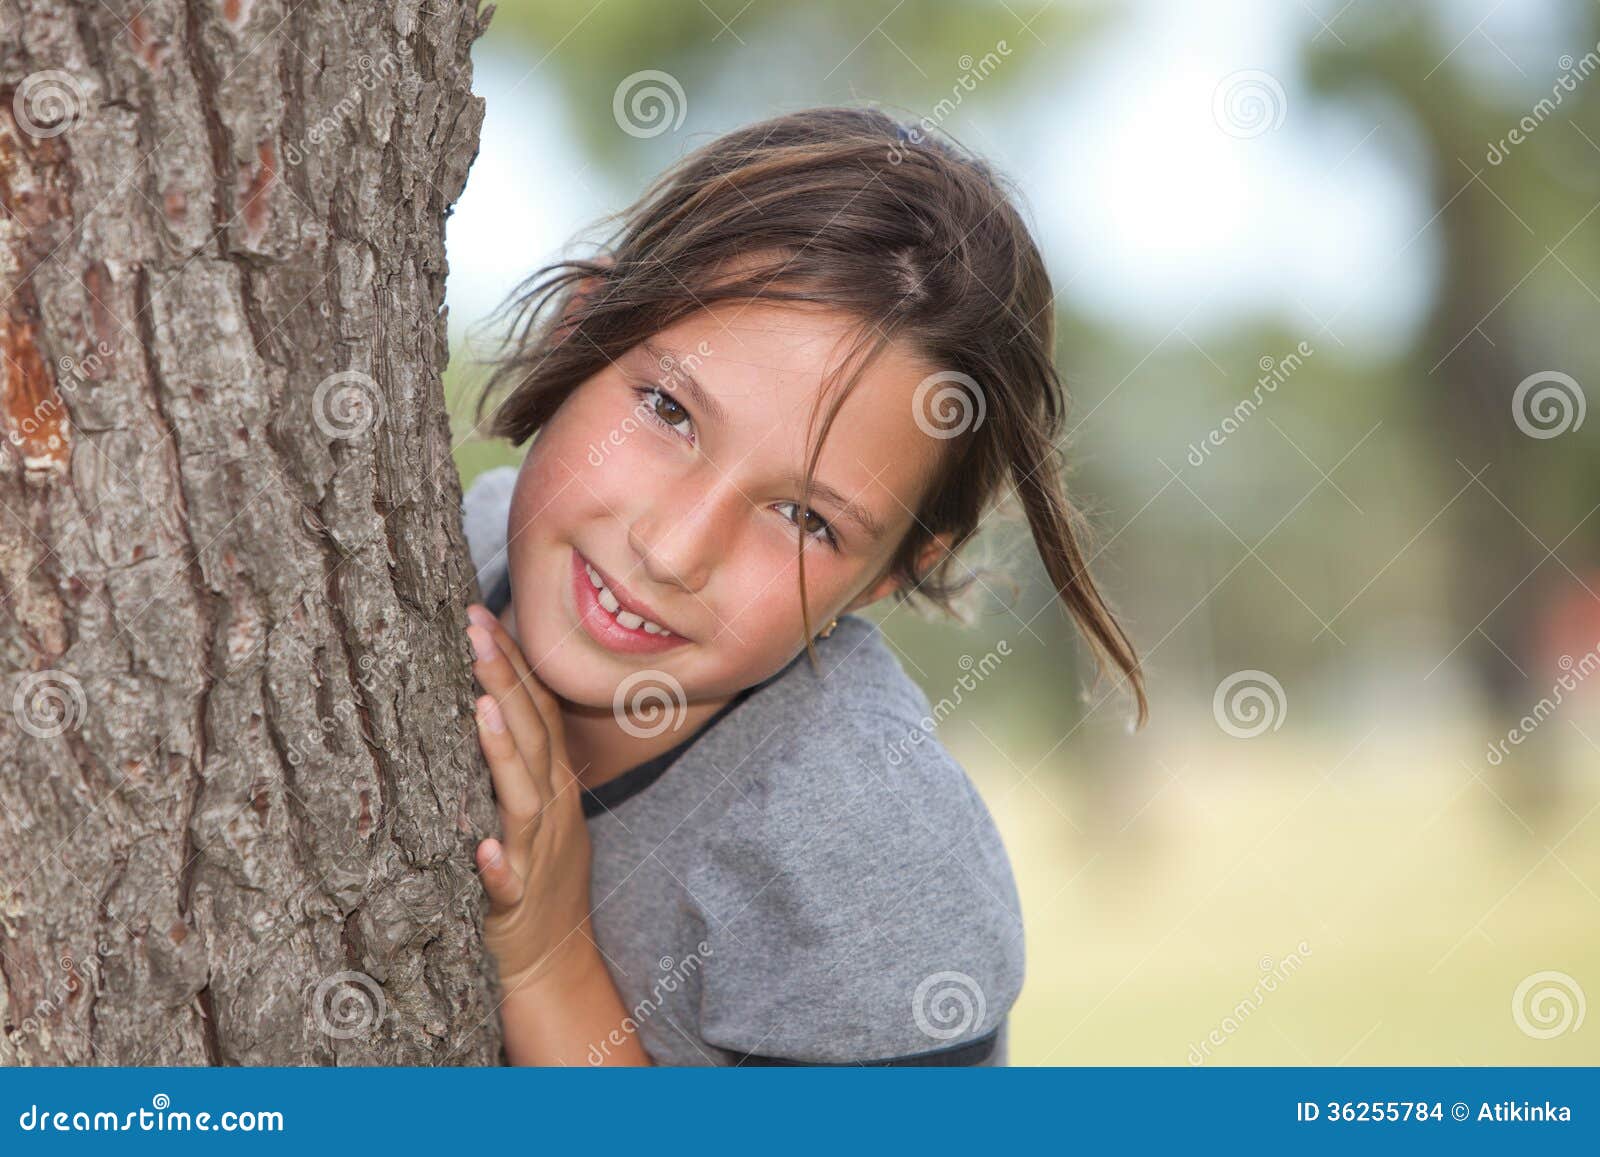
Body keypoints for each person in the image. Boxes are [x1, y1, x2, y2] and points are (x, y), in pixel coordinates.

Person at [457, 106, 1148, 1066]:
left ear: (891, 573)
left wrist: (548, 964)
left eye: (807, 519)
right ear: (584, 328)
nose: (673, 549)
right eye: (667, 411)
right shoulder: (453, 556)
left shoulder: (865, 843)